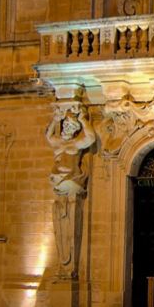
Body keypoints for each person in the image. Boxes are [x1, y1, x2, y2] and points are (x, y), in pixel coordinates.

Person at [45, 100, 97, 277]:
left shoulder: (76, 144)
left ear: (75, 130)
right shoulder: (58, 143)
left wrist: (83, 120)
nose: (67, 128)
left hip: (72, 180)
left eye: (71, 126)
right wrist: (55, 120)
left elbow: (90, 138)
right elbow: (48, 136)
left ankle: (69, 267)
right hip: (60, 182)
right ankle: (66, 265)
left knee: (71, 212)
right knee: (63, 215)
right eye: (66, 125)